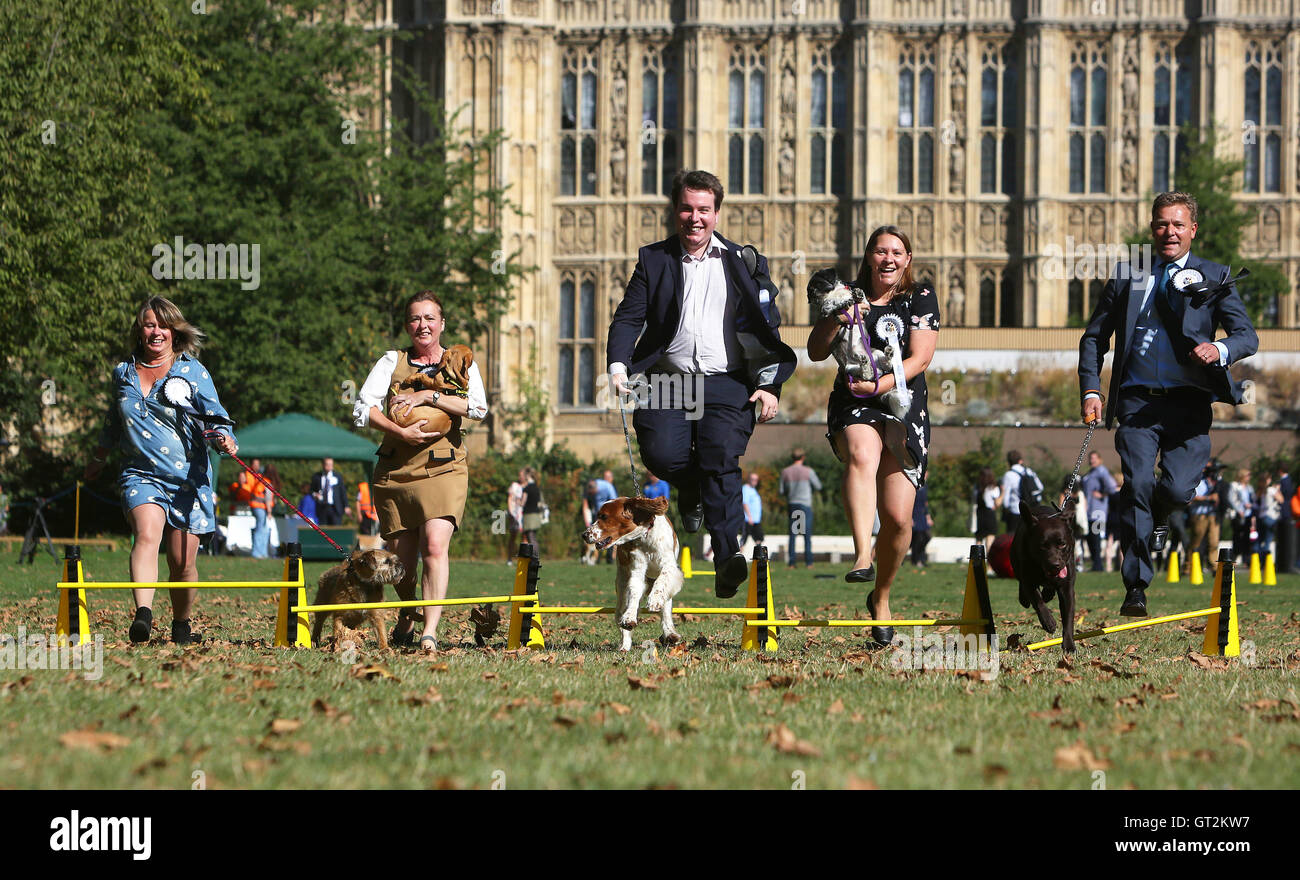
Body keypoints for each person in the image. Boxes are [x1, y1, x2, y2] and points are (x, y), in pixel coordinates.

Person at [606, 168, 797, 599]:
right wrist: (619, 367)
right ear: (676, 211)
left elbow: (769, 330)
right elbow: (629, 318)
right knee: (660, 453)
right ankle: (688, 487)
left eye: (704, 210)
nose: (695, 218)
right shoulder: (653, 260)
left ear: (716, 213)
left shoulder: (745, 262)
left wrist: (769, 386)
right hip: (668, 378)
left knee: (720, 459)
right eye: (687, 209)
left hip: (726, 381)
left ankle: (728, 555)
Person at [1079, 191, 1258, 616]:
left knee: (1176, 491)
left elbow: (1247, 336)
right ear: (1151, 228)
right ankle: (1136, 587)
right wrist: (1091, 390)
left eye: (1178, 225)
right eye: (1161, 224)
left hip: (1189, 407)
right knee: (1137, 484)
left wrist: (1221, 350)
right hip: (1137, 405)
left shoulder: (1216, 275)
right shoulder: (1129, 274)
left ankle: (1163, 509)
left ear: (1193, 230)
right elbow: (1094, 338)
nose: (1169, 232)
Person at [808, 225, 939, 648]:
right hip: (854, 399)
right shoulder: (847, 294)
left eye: (896, 252)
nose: (888, 259)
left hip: (901, 402)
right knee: (864, 452)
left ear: (907, 259)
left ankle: (880, 596)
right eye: (881, 251)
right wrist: (837, 317)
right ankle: (862, 552)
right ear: (869, 256)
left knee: (900, 519)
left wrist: (880, 386)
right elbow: (815, 350)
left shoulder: (919, 299)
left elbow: (920, 358)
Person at [83, 295, 236, 644]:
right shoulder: (122, 373)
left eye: (163, 325)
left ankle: (181, 624)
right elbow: (112, 421)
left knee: (182, 564)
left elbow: (215, 416)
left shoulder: (192, 370)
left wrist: (224, 438)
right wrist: (99, 458)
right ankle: (143, 615)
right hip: (140, 473)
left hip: (188, 478)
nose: (156, 332)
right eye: (150, 324)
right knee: (147, 535)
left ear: (174, 331)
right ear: (140, 330)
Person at [354, 291, 488, 654]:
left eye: (430, 318)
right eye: (415, 319)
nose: (423, 325)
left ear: (441, 324)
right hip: (397, 468)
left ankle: (429, 631)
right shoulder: (391, 361)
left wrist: (428, 397)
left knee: (434, 545)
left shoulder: (461, 362)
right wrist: (399, 431)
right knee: (401, 561)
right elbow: (362, 409)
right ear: (407, 326)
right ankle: (408, 612)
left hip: (444, 466)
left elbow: (477, 408)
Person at [779, 449, 822, 568]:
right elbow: (818, 486)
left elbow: (782, 491)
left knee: (793, 534)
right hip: (805, 505)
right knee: (807, 534)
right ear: (803, 457)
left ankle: (792, 563)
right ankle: (809, 563)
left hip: (793, 504)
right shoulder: (808, 471)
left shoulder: (785, 472)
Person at [1080, 451, 1118, 572]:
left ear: (1100, 459)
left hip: (1098, 512)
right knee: (1090, 537)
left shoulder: (1102, 471)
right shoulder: (1091, 472)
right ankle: (1096, 564)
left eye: (1095, 458)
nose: (1092, 460)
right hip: (1089, 512)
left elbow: (1112, 486)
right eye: (1090, 458)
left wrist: (1102, 494)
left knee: (1096, 537)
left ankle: (1098, 565)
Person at [1186, 459, 1222, 572]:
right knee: (1196, 541)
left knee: (1214, 542)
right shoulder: (1199, 481)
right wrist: (1208, 498)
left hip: (1213, 514)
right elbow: (1194, 496)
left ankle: (1214, 566)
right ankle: (1189, 566)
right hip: (1199, 514)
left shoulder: (1216, 482)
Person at [1000, 450, 1043, 533]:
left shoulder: (1008, 475)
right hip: (1032, 511)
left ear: (1009, 462)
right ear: (1020, 461)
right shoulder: (1029, 471)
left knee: (1013, 538)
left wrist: (1006, 510)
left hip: (1015, 510)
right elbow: (1040, 487)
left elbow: (1006, 500)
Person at [1226, 468, 1255, 564]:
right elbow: (1231, 499)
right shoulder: (1235, 486)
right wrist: (1239, 510)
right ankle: (1234, 556)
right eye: (1247, 475)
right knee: (1237, 536)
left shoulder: (1249, 488)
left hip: (1248, 514)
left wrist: (1251, 506)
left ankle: (1246, 558)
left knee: (1247, 536)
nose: (1249, 478)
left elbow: (1253, 499)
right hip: (1238, 515)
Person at [311, 457, 350, 526]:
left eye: (331, 464)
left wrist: (346, 506)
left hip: (335, 508)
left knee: (336, 531)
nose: (329, 466)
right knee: (323, 530)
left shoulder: (338, 477)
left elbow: (342, 492)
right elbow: (311, 490)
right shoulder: (316, 477)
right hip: (322, 508)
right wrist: (315, 495)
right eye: (327, 464)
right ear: (323, 465)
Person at [973, 466, 1001, 558]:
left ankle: (977, 563)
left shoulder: (976, 487)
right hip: (989, 515)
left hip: (979, 514)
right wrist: (1004, 493)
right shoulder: (993, 488)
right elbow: (997, 504)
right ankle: (990, 565)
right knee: (989, 541)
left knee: (978, 540)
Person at [247, 458, 272, 559]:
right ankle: (258, 553)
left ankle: (261, 552)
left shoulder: (259, 481)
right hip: (260, 507)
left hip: (255, 506)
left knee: (261, 529)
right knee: (260, 529)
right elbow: (267, 498)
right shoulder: (266, 482)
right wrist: (269, 511)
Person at [593, 470, 618, 563]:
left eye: (608, 477)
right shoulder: (600, 488)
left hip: (609, 517)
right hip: (599, 515)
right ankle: (597, 558)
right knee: (598, 536)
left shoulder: (611, 488)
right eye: (605, 477)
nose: (606, 479)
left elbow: (613, 501)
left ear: (612, 478)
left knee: (609, 536)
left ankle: (609, 558)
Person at [520, 468, 543, 553]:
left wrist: (516, 500)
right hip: (536, 515)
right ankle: (535, 558)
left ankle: (535, 558)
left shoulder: (527, 488)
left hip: (529, 515)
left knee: (531, 538)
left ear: (528, 475)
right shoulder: (537, 488)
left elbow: (522, 503)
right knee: (533, 537)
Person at [741, 472, 764, 552]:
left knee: (759, 538)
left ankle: (759, 558)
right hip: (748, 519)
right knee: (744, 539)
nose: (754, 481)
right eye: (753, 479)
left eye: (756, 480)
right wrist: (749, 516)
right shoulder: (746, 489)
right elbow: (745, 503)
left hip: (756, 520)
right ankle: (738, 557)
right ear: (748, 479)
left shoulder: (753, 490)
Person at [910, 484, 932, 566]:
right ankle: (916, 560)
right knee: (917, 539)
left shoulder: (925, 486)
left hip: (922, 515)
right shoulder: (913, 485)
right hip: (914, 514)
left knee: (926, 537)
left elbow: (925, 503)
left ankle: (921, 559)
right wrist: (910, 517)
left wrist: (928, 517)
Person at [506, 469, 525, 562]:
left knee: (525, 537)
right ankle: (509, 558)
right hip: (514, 514)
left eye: (522, 475)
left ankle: (523, 559)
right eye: (520, 475)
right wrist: (511, 512)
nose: (521, 477)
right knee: (513, 536)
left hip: (523, 514)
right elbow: (510, 498)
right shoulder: (515, 486)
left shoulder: (527, 487)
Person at [580, 478, 600, 565]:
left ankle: (594, 559)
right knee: (587, 542)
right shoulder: (586, 494)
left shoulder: (599, 492)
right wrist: (587, 522)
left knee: (596, 541)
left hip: (597, 517)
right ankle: (585, 557)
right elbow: (585, 507)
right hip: (590, 518)